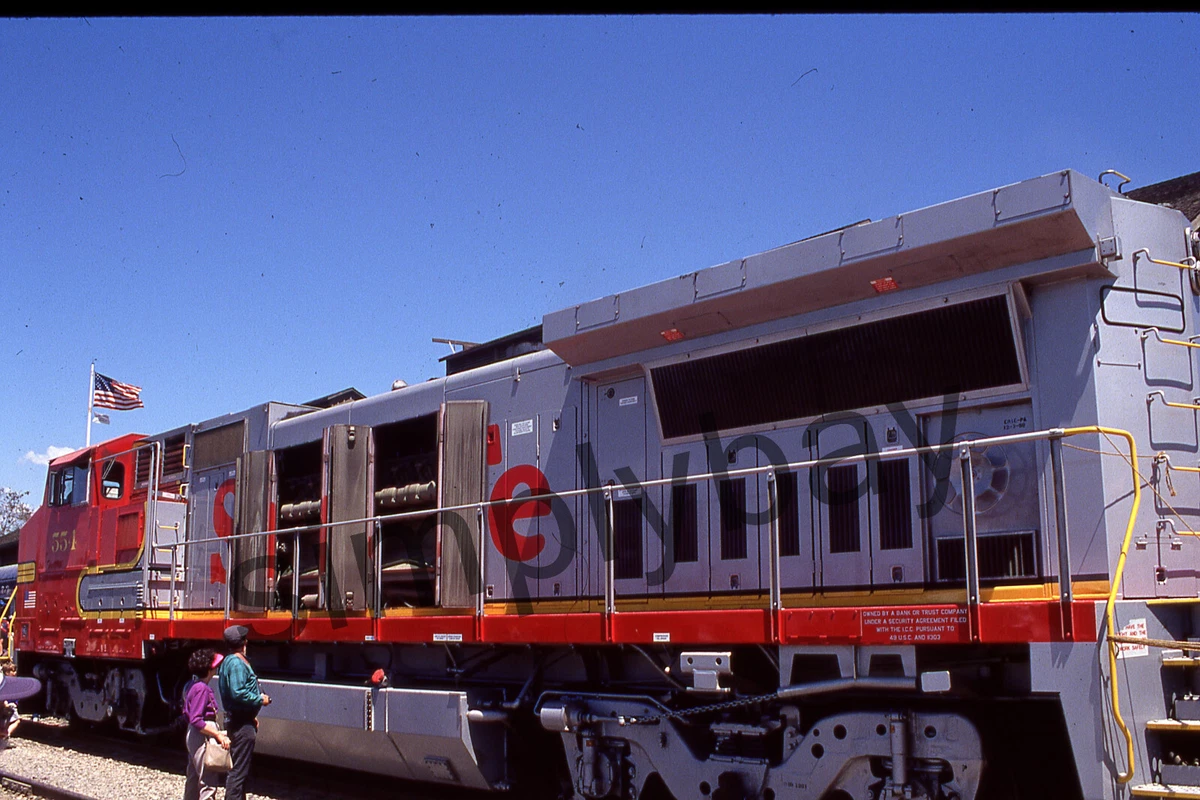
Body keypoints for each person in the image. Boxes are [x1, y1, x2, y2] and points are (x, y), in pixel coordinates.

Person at [218, 625, 270, 800]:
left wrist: (252, 715)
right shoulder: (236, 663)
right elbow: (238, 692)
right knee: (238, 773)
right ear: (244, 642)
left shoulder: (228, 661)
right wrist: (259, 700)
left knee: (240, 771)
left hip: (241, 720)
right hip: (241, 723)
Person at [182, 648, 229, 800]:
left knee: (194, 777)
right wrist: (217, 735)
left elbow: (187, 714)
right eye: (214, 666)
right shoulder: (202, 689)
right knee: (207, 780)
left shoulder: (192, 685)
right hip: (202, 735)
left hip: (194, 734)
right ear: (209, 669)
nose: (216, 668)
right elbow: (196, 719)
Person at [0, 662, 41, 751]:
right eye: (12, 671)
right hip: (10, 705)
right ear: (6, 672)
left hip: (9, 705)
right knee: (16, 721)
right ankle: (6, 735)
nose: (14, 672)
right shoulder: (8, 684)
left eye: (15, 670)